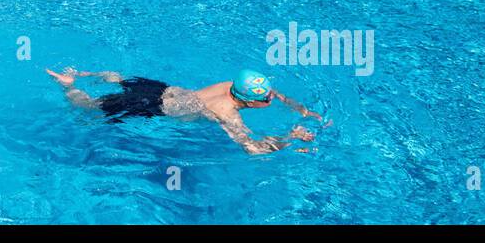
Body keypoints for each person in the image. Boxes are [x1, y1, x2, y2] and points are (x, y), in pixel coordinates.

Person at [46, 66, 320, 154]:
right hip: (151, 105)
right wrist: (290, 139)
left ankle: (82, 73)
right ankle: (69, 87)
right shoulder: (227, 113)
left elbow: (272, 92)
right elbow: (253, 149)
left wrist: (302, 109)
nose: (272, 99)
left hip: (161, 89)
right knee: (90, 109)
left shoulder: (234, 85)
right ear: (248, 102)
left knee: (120, 79)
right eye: (266, 100)